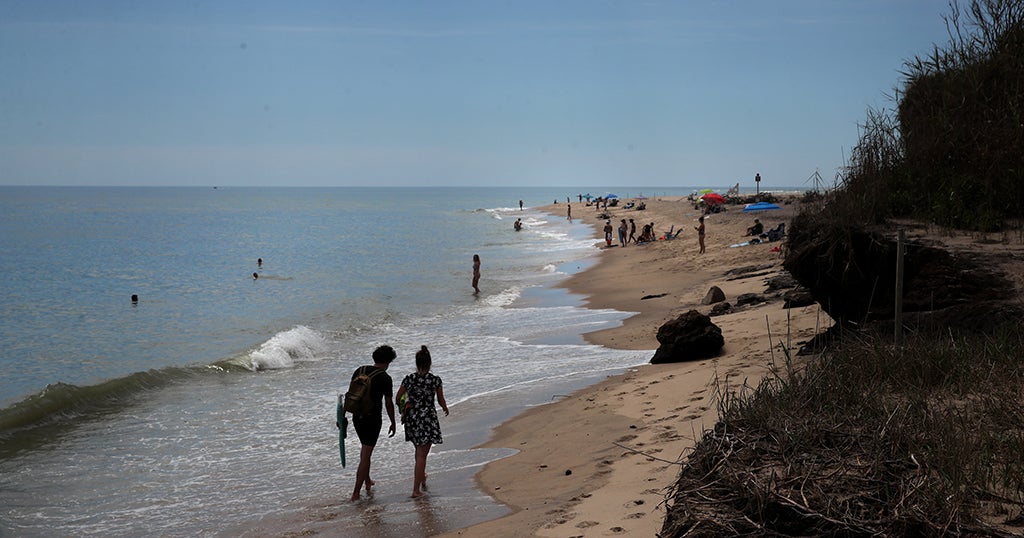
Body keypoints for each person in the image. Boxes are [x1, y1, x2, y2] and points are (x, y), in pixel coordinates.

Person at [396, 345, 449, 498]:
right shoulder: (435, 380)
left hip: (412, 419)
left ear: (416, 363)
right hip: (428, 419)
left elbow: (398, 398)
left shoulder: (409, 379)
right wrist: (445, 408)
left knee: (418, 451)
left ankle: (422, 477)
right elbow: (440, 399)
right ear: (429, 363)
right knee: (421, 455)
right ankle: (415, 490)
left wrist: (405, 408)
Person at [348, 345, 398, 501]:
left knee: (365, 450)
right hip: (372, 419)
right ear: (388, 361)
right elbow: (388, 403)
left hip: (357, 416)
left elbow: (350, 394)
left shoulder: (360, 370)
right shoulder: (385, 378)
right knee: (366, 454)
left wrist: (341, 417)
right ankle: (356, 493)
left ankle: (367, 481)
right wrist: (393, 422)